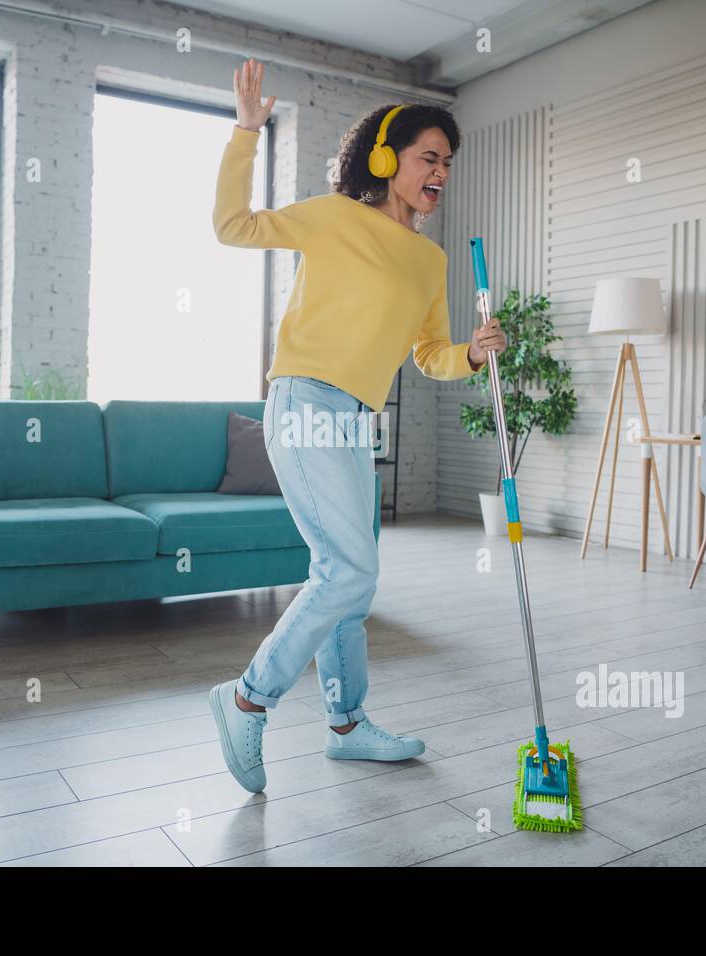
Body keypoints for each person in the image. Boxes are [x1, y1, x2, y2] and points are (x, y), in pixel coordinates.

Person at [207, 59, 507, 793]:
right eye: (428, 156)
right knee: (350, 570)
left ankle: (346, 725)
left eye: (447, 162)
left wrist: (470, 351)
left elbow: (430, 357)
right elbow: (233, 226)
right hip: (305, 401)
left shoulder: (430, 260)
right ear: (386, 156)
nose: (441, 171)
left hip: (354, 420)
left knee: (343, 581)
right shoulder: (335, 216)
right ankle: (247, 697)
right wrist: (248, 131)